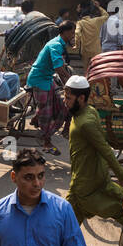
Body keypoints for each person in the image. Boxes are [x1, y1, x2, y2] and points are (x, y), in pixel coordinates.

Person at [64, 74, 123, 227]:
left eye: (68, 98)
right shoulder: (88, 112)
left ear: (81, 98)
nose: (65, 101)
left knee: (121, 211)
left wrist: (121, 175)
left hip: (86, 186)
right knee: (65, 225)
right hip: (81, 181)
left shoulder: (86, 122)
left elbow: (105, 149)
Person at [26, 20, 74, 154]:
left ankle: (40, 122)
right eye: (72, 32)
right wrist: (70, 83)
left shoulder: (60, 43)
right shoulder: (56, 45)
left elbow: (62, 67)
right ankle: (46, 141)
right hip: (39, 79)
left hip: (47, 79)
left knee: (62, 104)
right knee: (46, 113)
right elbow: (58, 68)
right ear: (65, 32)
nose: (73, 35)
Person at [72, 0, 109, 66]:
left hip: (85, 51)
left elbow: (77, 33)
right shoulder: (96, 21)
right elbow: (106, 15)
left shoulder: (80, 23)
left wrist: (77, 44)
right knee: (96, 69)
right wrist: (98, 7)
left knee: (86, 70)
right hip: (96, 50)